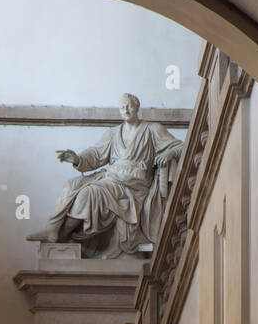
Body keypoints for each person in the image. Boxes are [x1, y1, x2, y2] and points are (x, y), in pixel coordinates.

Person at [26, 92, 183, 257]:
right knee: (71, 185)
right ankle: (52, 229)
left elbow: (181, 146)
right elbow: (96, 154)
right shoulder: (113, 133)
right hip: (111, 178)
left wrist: (169, 154)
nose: (126, 109)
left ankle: (62, 236)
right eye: (122, 107)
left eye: (128, 106)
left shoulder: (152, 129)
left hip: (134, 185)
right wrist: (78, 158)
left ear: (136, 106)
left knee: (89, 193)